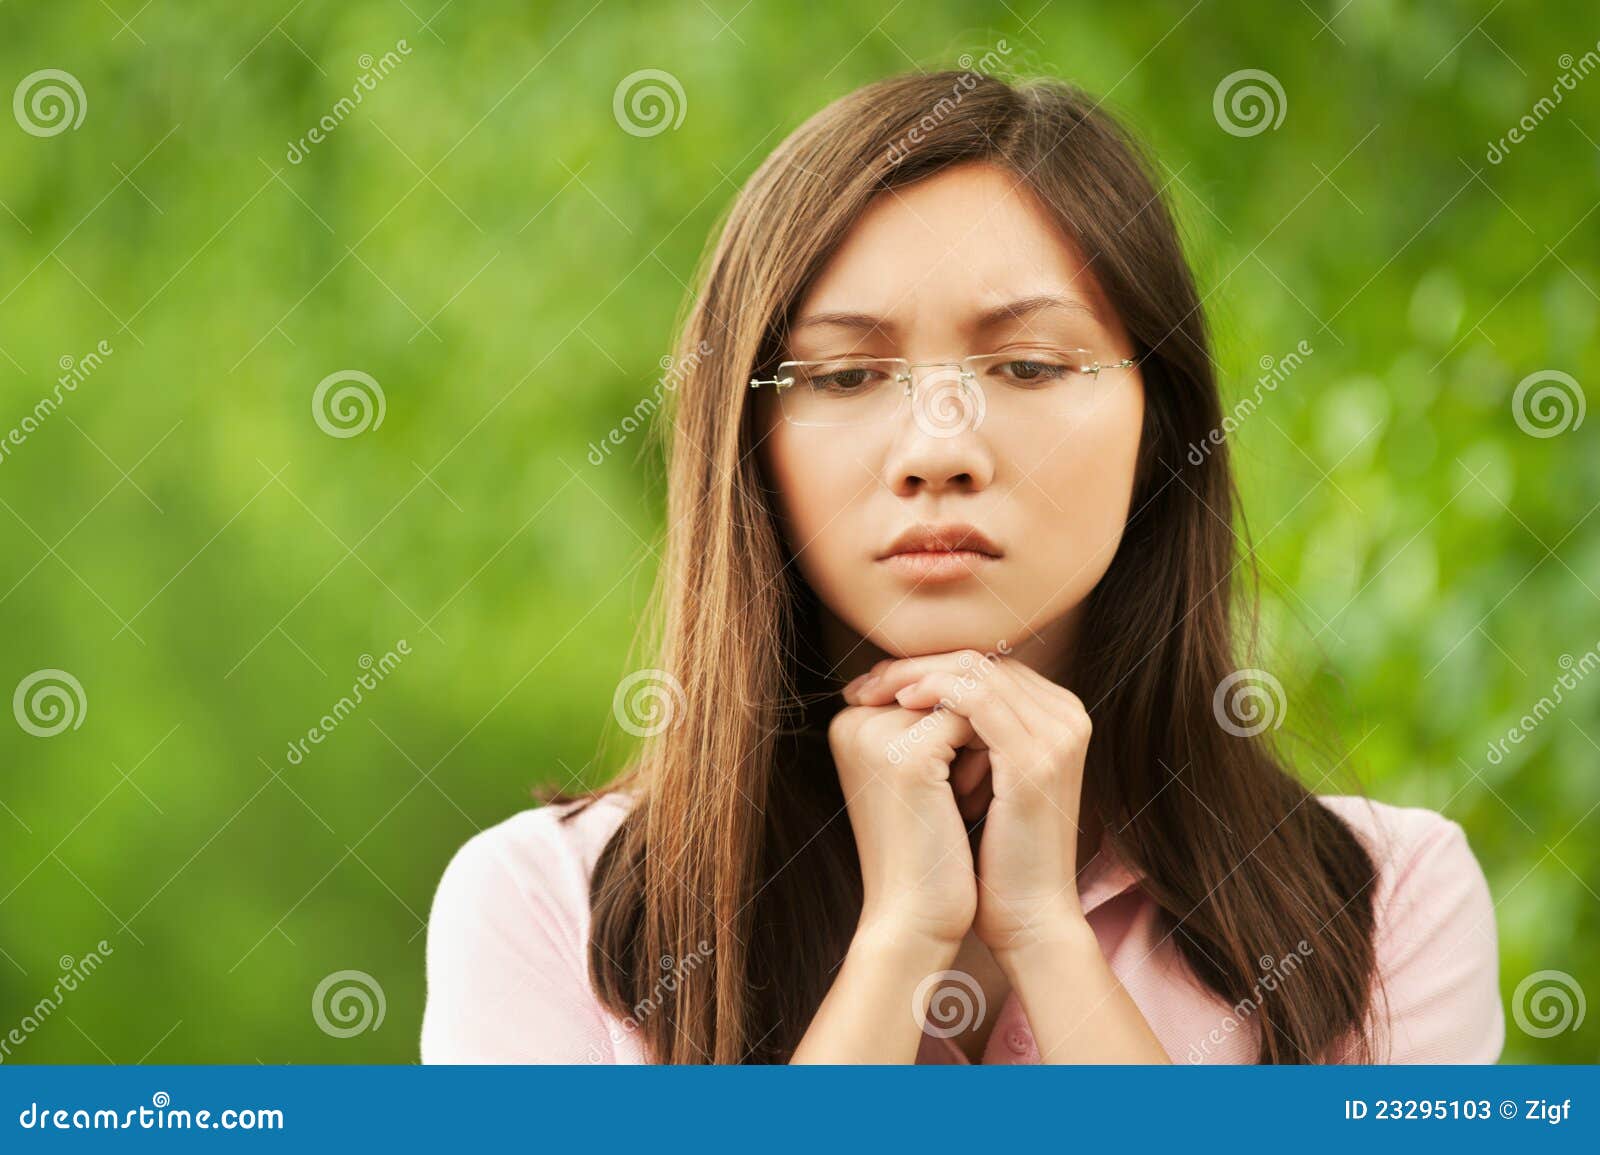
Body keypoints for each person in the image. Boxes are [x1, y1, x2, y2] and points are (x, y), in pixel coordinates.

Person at [420, 70, 1504, 1065]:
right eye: (845, 377)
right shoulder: (543, 904)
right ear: (747, 440)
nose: (938, 446)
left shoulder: (1385, 905)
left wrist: (1043, 931)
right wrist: (900, 942)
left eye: (1028, 363)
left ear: (1159, 422)